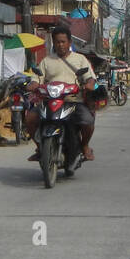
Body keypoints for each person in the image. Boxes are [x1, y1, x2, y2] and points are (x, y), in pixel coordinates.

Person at [24, 24, 98, 163]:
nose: (60, 45)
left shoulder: (80, 59)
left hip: (73, 100)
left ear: (69, 42)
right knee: (30, 119)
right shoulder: (46, 61)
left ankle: (85, 146)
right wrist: (33, 84)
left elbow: (90, 77)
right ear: (53, 42)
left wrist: (89, 84)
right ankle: (40, 147)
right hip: (49, 100)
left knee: (88, 121)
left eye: (63, 41)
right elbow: (37, 78)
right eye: (57, 42)